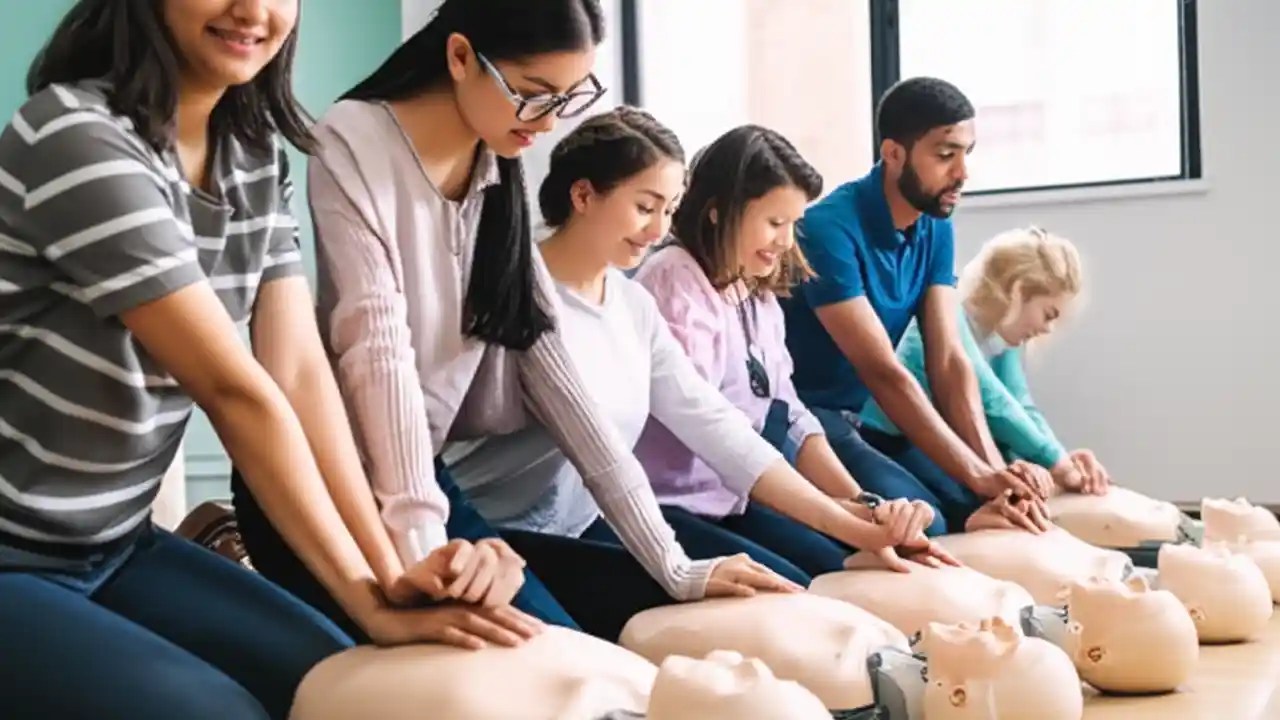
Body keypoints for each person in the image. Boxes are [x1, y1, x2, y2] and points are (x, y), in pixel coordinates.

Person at [232, 0, 787, 645]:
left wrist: (675, 564)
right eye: (532, 94)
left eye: (567, 98)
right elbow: (376, 352)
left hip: (422, 481)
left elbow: (563, 388)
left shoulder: (496, 164)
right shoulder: (355, 138)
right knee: (501, 675)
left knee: (566, 654)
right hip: (324, 482)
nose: (550, 121)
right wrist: (417, 551)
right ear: (461, 56)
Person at [0, 0, 468, 717]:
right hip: (14, 552)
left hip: (118, 543)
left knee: (340, 680)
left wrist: (388, 575)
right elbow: (235, 390)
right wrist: (364, 601)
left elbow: (300, 373)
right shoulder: (73, 135)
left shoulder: (251, 155)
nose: (253, 10)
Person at [454, 109, 950, 591]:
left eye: (667, 210)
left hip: (582, 525)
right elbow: (606, 460)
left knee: (796, 588)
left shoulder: (632, 304)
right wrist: (681, 572)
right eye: (645, 208)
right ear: (582, 195)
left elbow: (714, 423)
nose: (656, 230)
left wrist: (854, 517)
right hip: (496, 532)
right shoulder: (520, 294)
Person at [621, 122, 956, 576]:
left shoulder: (758, 293)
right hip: (669, 505)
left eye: (793, 224)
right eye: (774, 223)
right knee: (814, 579)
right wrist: (839, 517)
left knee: (858, 564)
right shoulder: (674, 280)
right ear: (719, 211)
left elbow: (792, 414)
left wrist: (862, 504)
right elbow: (714, 432)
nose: (785, 241)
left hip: (733, 496)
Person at [779, 76, 1053, 534]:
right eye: (945, 155)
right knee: (933, 522)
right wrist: (979, 474)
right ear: (893, 154)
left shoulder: (935, 225)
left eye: (968, 153)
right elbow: (882, 371)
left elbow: (948, 360)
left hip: (859, 419)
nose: (962, 172)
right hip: (805, 421)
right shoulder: (826, 229)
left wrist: (992, 470)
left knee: (979, 499)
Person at [860, 227, 1110, 495]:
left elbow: (1020, 404)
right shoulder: (948, 318)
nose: (1047, 329)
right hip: (886, 439)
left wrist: (1059, 459)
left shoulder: (1001, 341)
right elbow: (994, 404)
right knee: (962, 505)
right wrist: (1058, 464)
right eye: (1048, 314)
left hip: (931, 441)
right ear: (1019, 291)